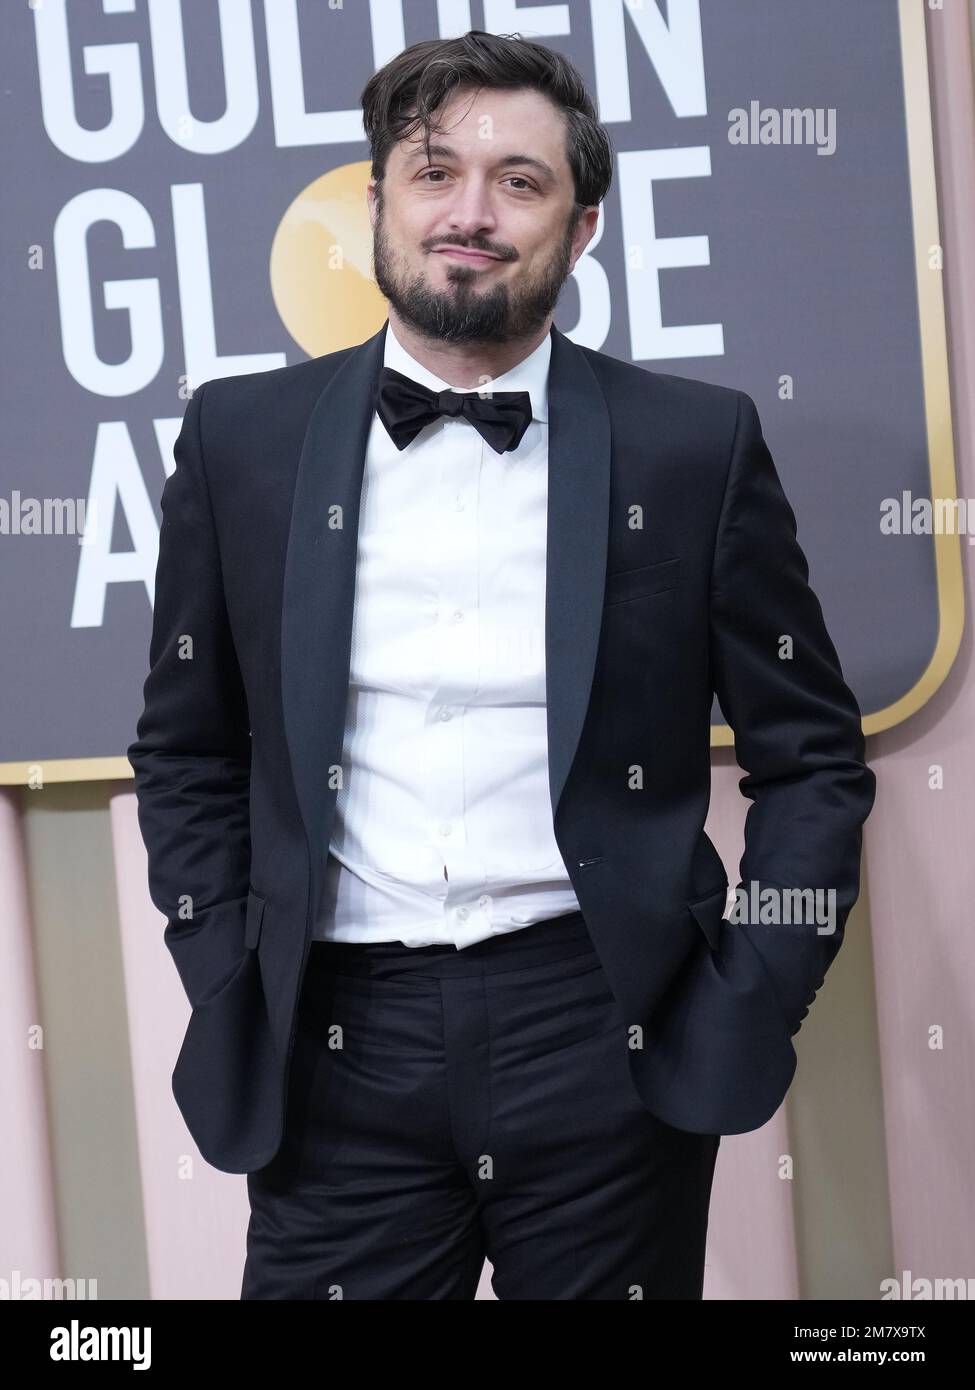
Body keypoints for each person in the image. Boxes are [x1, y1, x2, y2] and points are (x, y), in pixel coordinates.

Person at [128, 30, 876, 1300]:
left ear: (581, 229)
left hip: (606, 1031)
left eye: (519, 182)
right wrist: (224, 964)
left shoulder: (693, 446)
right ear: (377, 205)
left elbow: (812, 761)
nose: (470, 213)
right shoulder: (239, 438)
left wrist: (749, 995)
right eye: (434, 173)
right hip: (333, 1042)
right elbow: (188, 743)